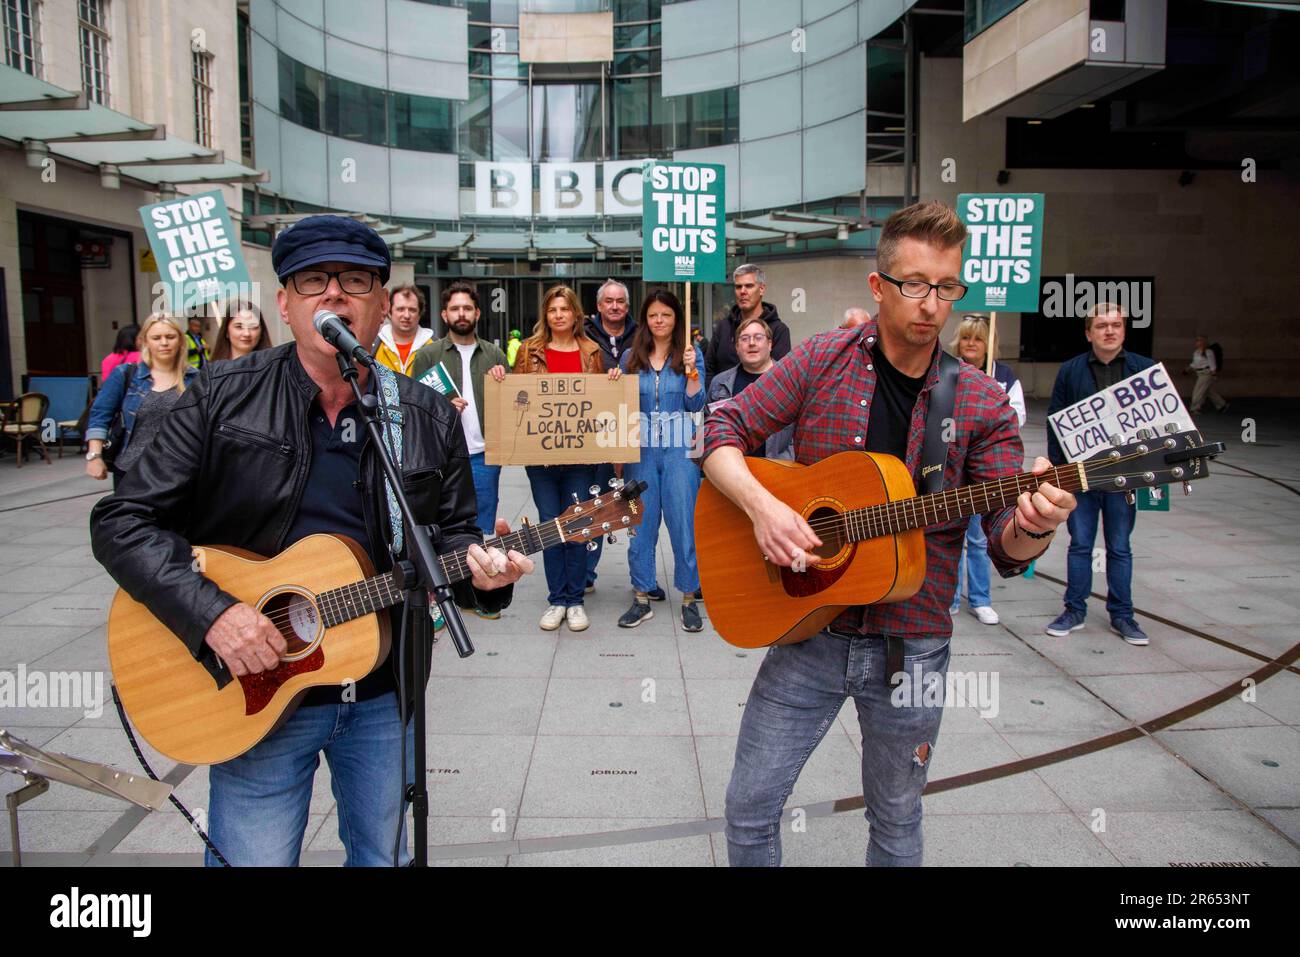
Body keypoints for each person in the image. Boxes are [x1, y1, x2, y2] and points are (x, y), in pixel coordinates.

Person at [89, 215, 532, 866]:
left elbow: (457, 534)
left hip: (385, 689)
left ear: (385, 306)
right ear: (285, 304)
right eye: (313, 281)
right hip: (251, 686)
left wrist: (482, 575)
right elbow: (121, 521)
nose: (334, 295)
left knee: (384, 858)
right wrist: (214, 614)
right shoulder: (215, 397)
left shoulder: (426, 413)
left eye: (355, 281)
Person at [701, 201, 1076, 866]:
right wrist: (762, 506)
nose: (932, 303)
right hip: (809, 627)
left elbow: (1005, 543)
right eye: (914, 283)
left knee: (898, 819)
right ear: (878, 286)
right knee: (749, 806)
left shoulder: (981, 402)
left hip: (915, 645)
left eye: (946, 287)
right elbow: (721, 428)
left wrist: (1037, 527)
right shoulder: (822, 360)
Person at [1045, 301, 1154, 646]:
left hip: (1125, 477)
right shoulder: (1070, 370)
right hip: (1082, 477)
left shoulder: (1144, 369)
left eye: (1116, 325)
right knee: (1080, 545)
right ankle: (1074, 609)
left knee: (1120, 546)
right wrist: (1061, 472)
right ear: (1088, 332)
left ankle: (1123, 615)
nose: (1109, 331)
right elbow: (1055, 420)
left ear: (1124, 330)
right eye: (1102, 325)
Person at [514, 284, 616, 633]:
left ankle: (575, 600)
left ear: (575, 314)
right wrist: (503, 379)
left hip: (580, 456)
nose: (558, 315)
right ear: (546, 314)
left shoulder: (591, 352)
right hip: (540, 458)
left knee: (575, 524)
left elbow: (602, 399)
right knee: (548, 525)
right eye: (552, 310)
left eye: (565, 309)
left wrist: (613, 380)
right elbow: (517, 398)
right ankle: (556, 599)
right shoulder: (529, 352)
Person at [407, 281, 510, 597]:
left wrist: (503, 382)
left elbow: (512, 404)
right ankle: (446, 584)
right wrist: (441, 406)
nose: (461, 313)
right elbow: (414, 405)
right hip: (443, 455)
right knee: (445, 522)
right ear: (444, 313)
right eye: (455, 308)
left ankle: (475, 587)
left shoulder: (494, 353)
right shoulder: (428, 356)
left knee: (483, 524)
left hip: (483, 453)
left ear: (477, 312)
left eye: (467, 308)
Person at [617, 289, 707, 632]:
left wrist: (692, 373)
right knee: (640, 523)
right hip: (640, 451)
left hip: (680, 450)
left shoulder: (690, 354)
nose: (659, 321)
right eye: (653, 315)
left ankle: (688, 597)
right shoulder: (630, 357)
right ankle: (641, 595)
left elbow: (696, 407)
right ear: (645, 319)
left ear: (676, 319)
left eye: (666, 315)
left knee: (684, 523)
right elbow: (620, 404)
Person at [947, 316, 1027, 625]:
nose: (970, 344)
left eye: (977, 339)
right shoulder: (947, 369)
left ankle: (980, 599)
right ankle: (951, 597)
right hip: (954, 467)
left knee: (979, 539)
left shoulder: (1003, 375)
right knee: (952, 532)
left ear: (987, 344)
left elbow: (1016, 416)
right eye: (966, 337)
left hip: (984, 469)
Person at [85, 313, 198, 485]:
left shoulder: (196, 379)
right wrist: (94, 456)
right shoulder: (125, 375)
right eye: (156, 337)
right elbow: (100, 415)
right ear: (145, 341)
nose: (164, 343)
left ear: (181, 340)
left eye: (170, 337)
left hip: (181, 472)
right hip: (132, 471)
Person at [582, 279, 639, 595]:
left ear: (627, 306)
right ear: (599, 306)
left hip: (635, 430)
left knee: (636, 505)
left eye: (621, 301)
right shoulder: (584, 336)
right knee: (597, 503)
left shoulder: (642, 336)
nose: (615, 306)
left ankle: (641, 578)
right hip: (597, 433)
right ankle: (587, 573)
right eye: (609, 301)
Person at [706, 315, 793, 460]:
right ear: (737, 347)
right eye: (745, 339)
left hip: (779, 471)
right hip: (733, 471)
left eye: (758, 337)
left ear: (770, 344)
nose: (751, 343)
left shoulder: (789, 381)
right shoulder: (719, 385)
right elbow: (709, 432)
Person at [704, 264, 792, 378]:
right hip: (724, 394)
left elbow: (781, 375)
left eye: (749, 286)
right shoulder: (723, 327)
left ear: (761, 289)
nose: (743, 291)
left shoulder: (778, 330)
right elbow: (709, 368)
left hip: (762, 394)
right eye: (738, 287)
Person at [373, 283, 434, 375]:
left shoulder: (433, 346)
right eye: (400, 309)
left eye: (412, 310)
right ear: (389, 312)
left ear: (420, 314)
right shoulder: (373, 346)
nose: (406, 315)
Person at [1185, 335, 1229, 413]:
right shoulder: (1196, 352)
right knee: (1207, 391)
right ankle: (1222, 405)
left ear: (1204, 342)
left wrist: (1214, 374)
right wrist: (1187, 369)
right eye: (1197, 340)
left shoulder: (1208, 352)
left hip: (1206, 373)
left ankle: (1195, 408)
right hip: (1199, 373)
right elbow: (1195, 364)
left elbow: (1212, 364)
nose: (1197, 342)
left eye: (1200, 340)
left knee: (1198, 391)